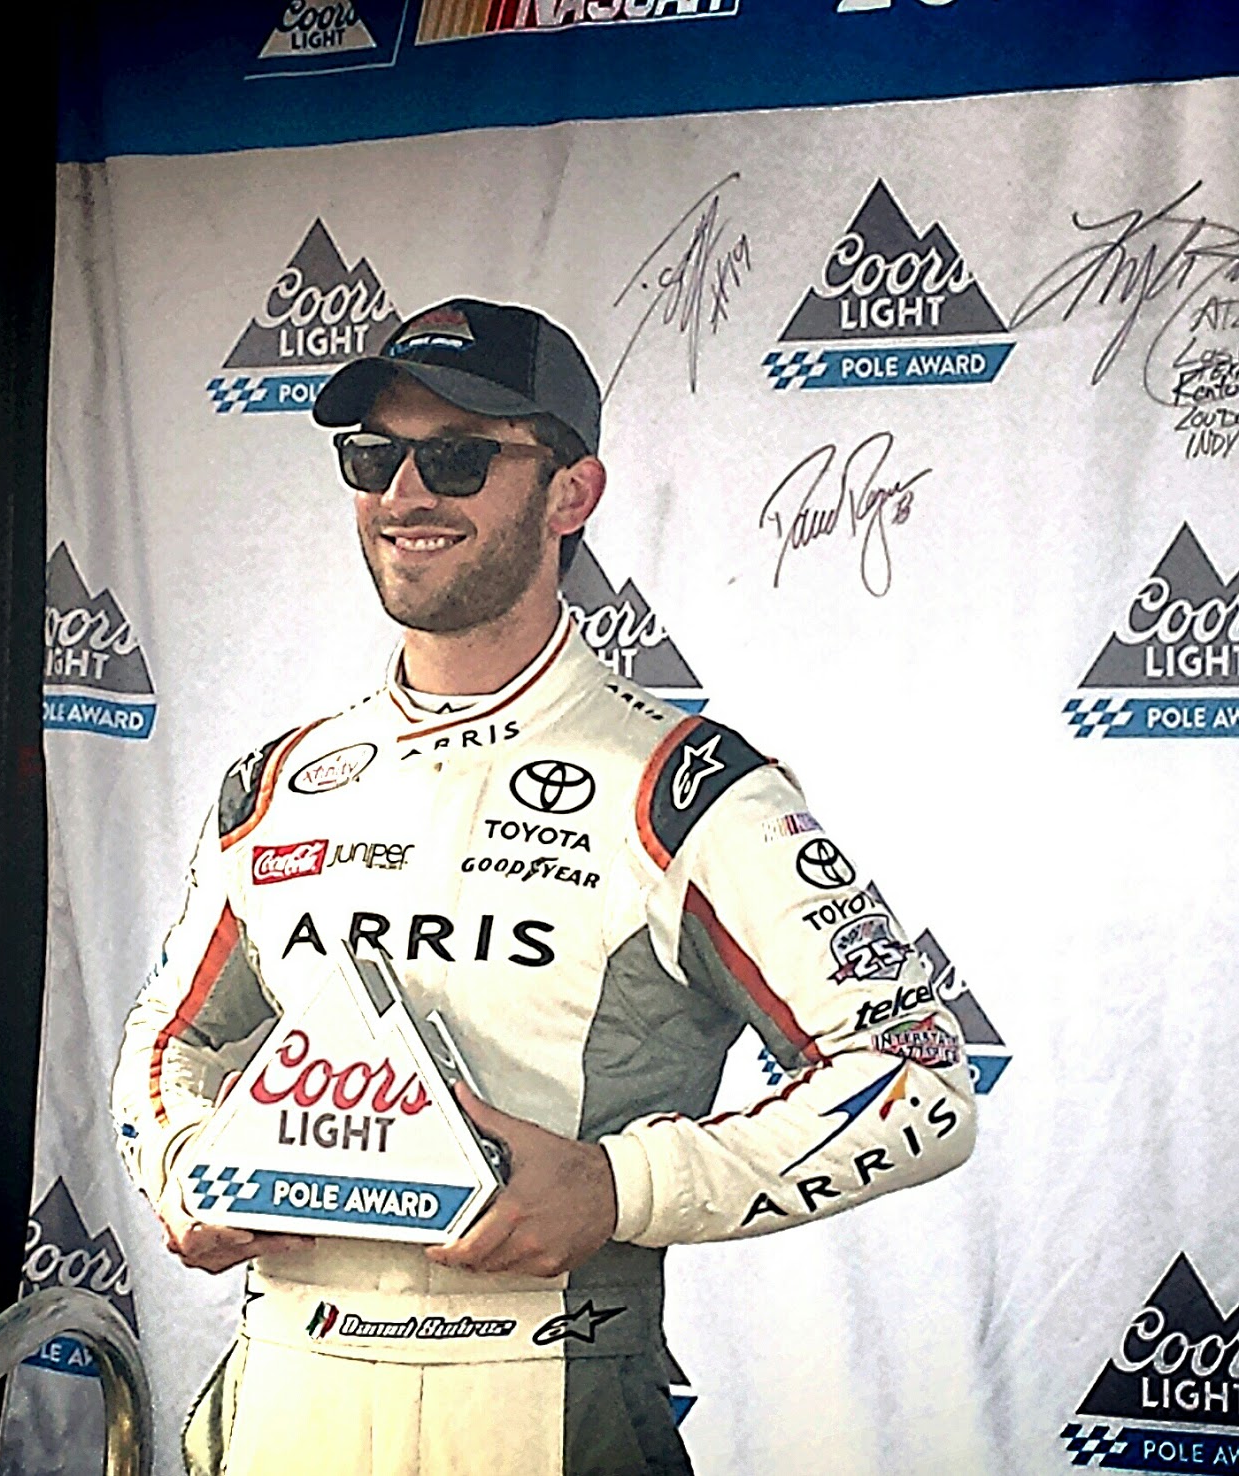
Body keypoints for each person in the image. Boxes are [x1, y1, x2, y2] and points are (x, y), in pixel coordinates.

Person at [111, 299, 976, 1476]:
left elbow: (919, 1083)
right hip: (283, 1392)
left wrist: (621, 1186)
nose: (406, 494)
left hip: (546, 1392)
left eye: (459, 456)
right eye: (376, 457)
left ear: (571, 494)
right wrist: (185, 1170)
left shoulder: (686, 786)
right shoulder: (278, 781)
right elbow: (168, 1041)